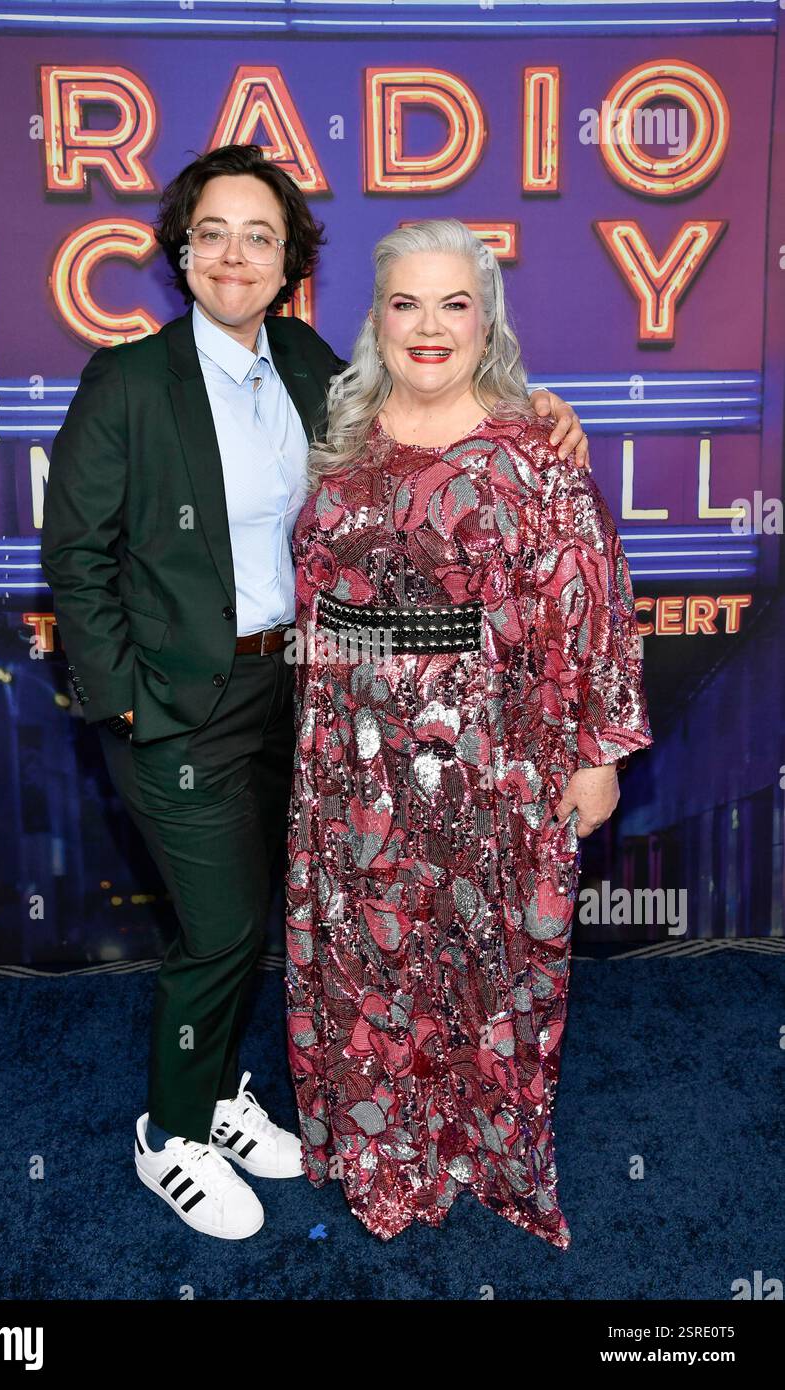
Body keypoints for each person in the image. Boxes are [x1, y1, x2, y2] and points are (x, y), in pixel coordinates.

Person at [40, 144, 589, 1241]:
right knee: (223, 924)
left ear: (289, 259)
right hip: (176, 704)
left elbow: (427, 404)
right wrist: (125, 702)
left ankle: (223, 1097)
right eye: (212, 234)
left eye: (260, 235)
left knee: (282, 918)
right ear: (181, 253)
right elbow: (75, 554)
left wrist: (540, 411)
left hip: (305, 702)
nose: (234, 255)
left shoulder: (302, 363)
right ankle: (172, 1133)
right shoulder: (131, 380)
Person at [285, 217, 653, 1245]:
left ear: (485, 316)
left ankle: (475, 1146)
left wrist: (592, 756)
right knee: (369, 957)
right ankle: (377, 1142)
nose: (429, 325)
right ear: (376, 316)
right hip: (348, 744)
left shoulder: (534, 449)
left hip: (489, 745)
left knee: (480, 949)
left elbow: (588, 603)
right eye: (406, 302)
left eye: (454, 302)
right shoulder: (344, 425)